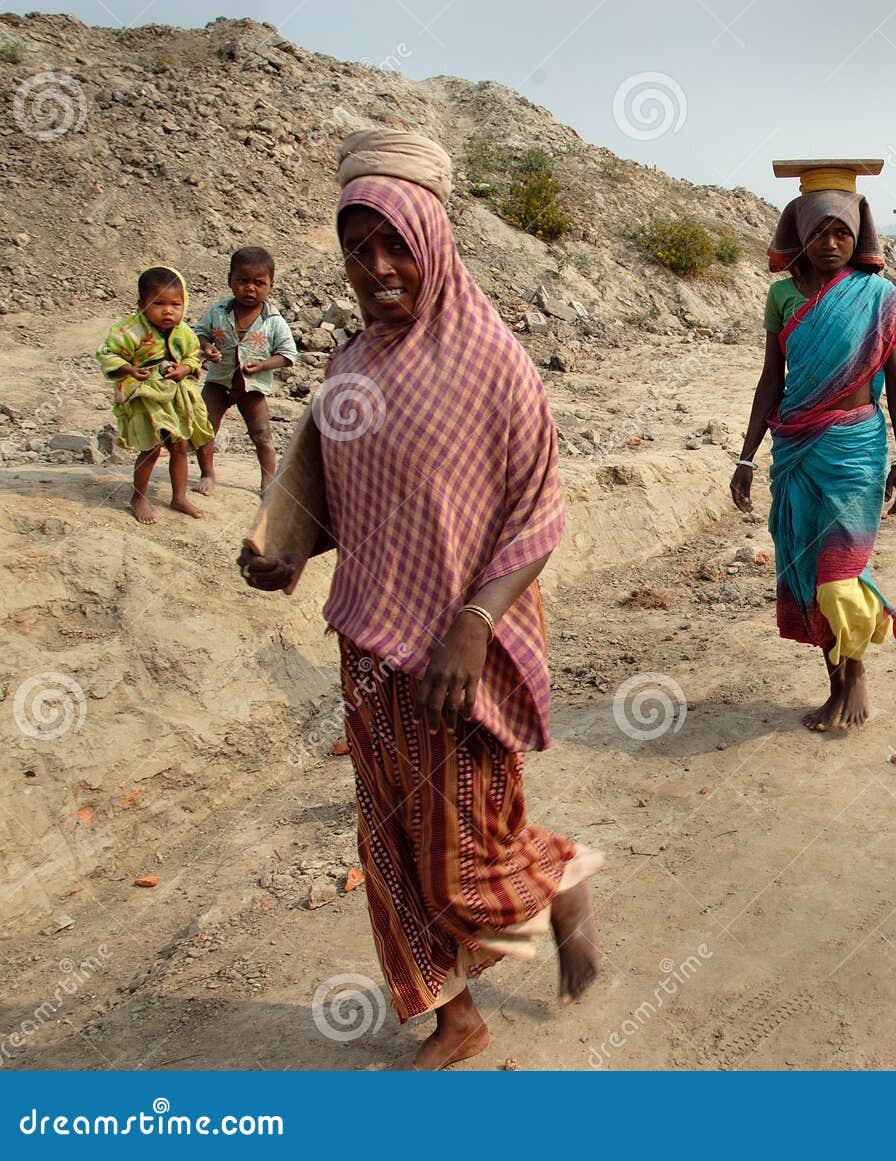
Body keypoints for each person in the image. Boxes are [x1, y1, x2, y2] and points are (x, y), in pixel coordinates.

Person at [237, 130, 601, 1070]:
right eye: (357, 248)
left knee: (464, 856)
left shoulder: (493, 363)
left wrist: (472, 626)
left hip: (461, 650)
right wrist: (285, 552)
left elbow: (538, 514)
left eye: (396, 244)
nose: (378, 268)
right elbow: (343, 502)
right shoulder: (348, 370)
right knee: (392, 845)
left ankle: (557, 877)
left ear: (434, 242)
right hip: (369, 645)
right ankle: (456, 1015)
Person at [731, 161, 896, 732]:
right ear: (800, 236)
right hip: (795, 450)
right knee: (809, 574)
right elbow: (771, 379)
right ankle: (835, 682)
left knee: (840, 572)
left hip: (856, 447)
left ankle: (855, 673)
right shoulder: (782, 296)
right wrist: (746, 456)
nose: (830, 244)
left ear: (859, 237)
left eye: (841, 233)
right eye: (818, 233)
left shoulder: (878, 295)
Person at [95, 266, 215, 524]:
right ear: (142, 305)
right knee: (151, 448)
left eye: (175, 304)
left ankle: (179, 497)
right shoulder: (129, 331)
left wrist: (185, 369)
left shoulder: (183, 331)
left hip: (175, 397)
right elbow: (107, 353)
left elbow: (193, 355)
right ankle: (138, 497)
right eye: (158, 303)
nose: (168, 311)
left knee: (179, 446)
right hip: (145, 396)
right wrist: (129, 369)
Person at [194, 246, 299, 495]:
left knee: (262, 435)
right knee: (205, 429)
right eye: (242, 281)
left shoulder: (273, 321)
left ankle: (268, 482)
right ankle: (207, 473)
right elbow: (199, 333)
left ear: (271, 285)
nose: (250, 288)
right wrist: (207, 347)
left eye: (258, 283)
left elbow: (288, 355)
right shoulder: (218, 312)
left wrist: (263, 365)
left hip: (251, 388)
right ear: (230, 280)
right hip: (218, 382)